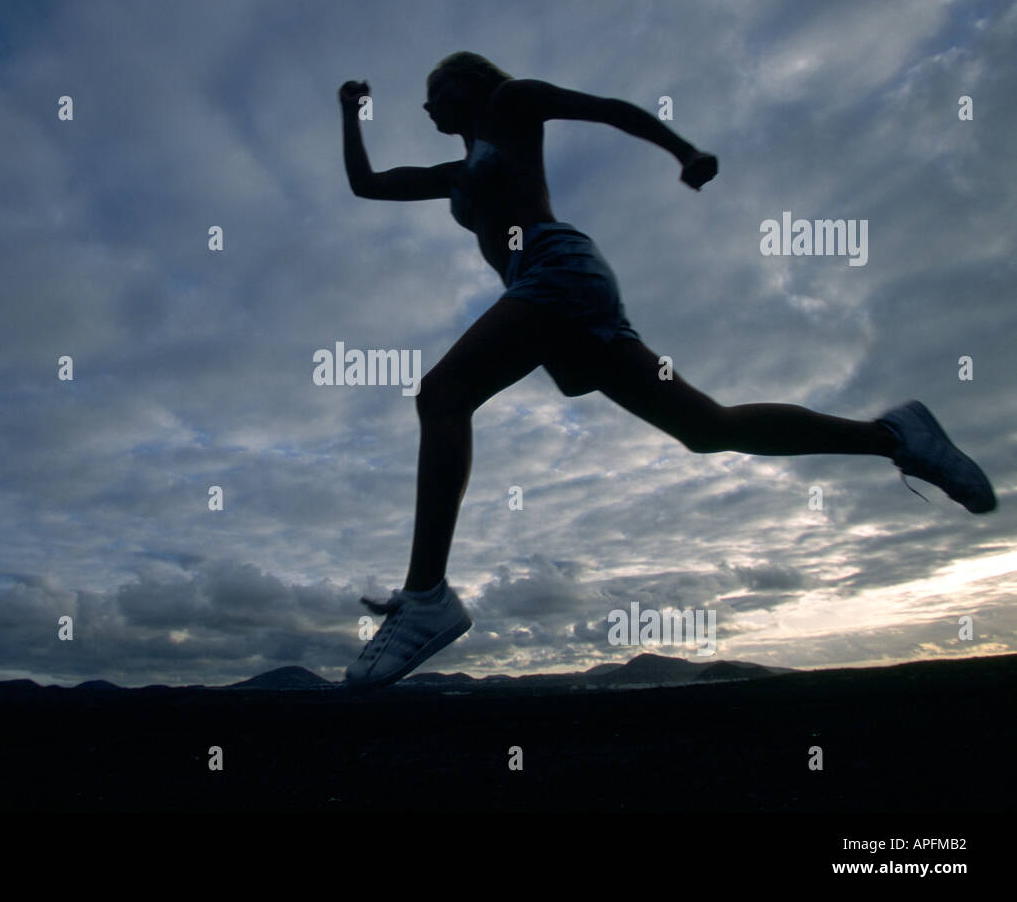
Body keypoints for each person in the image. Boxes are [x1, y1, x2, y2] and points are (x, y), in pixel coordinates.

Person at [337, 50, 996, 689]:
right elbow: (367, 184)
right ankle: (894, 436)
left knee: (442, 394)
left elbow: (609, 110)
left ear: (471, 82)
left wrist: (683, 151)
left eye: (438, 87)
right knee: (707, 428)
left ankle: (426, 595)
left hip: (557, 271)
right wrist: (351, 113)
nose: (427, 104)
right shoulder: (454, 176)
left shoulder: (510, 106)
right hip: (561, 304)